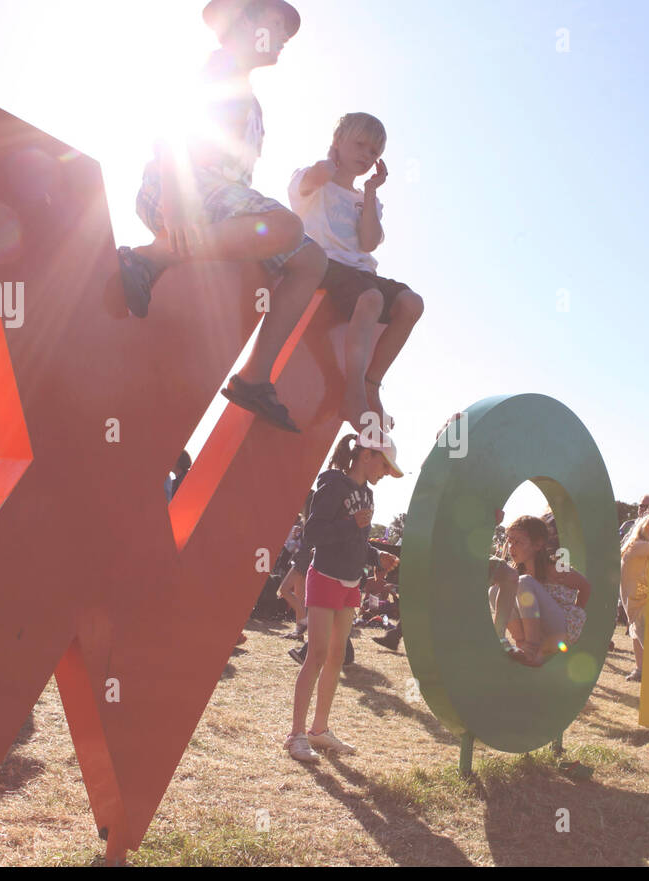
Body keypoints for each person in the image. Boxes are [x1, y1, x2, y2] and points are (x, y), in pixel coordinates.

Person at [116, 0, 327, 433]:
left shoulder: (252, 100)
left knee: (311, 260)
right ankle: (148, 256)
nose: (285, 34)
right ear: (245, 20)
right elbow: (171, 128)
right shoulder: (219, 67)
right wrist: (175, 197)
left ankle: (254, 376)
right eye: (278, 21)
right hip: (178, 186)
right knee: (288, 227)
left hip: (220, 200)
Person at [288, 113, 424, 433]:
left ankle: (371, 383)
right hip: (321, 263)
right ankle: (352, 395)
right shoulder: (314, 181)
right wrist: (329, 164)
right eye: (360, 144)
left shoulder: (366, 200)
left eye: (374, 152)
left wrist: (371, 193)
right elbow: (308, 182)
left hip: (359, 271)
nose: (366, 155)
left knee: (412, 303)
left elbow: (368, 243)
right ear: (337, 142)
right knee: (370, 297)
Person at [286, 433, 401, 763]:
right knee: (317, 654)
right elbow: (313, 534)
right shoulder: (333, 483)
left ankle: (318, 730)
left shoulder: (367, 494)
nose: (384, 474)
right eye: (384, 465)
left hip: (350, 583)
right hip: (324, 577)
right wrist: (351, 523)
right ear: (367, 455)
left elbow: (357, 541)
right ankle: (296, 735)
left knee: (337, 656)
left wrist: (376, 556)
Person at [490, 516, 590, 667]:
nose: (511, 547)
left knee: (524, 581)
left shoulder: (555, 568)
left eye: (518, 542)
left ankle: (532, 646)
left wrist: (577, 613)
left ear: (537, 544)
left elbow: (585, 586)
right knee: (495, 590)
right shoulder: (515, 571)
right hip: (538, 627)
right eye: (509, 541)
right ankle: (521, 643)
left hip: (560, 629)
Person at [619, 513, 649, 681]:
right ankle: (647, 672)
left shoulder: (638, 547)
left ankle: (641, 671)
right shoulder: (637, 546)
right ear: (646, 528)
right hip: (639, 603)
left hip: (638, 602)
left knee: (637, 635)